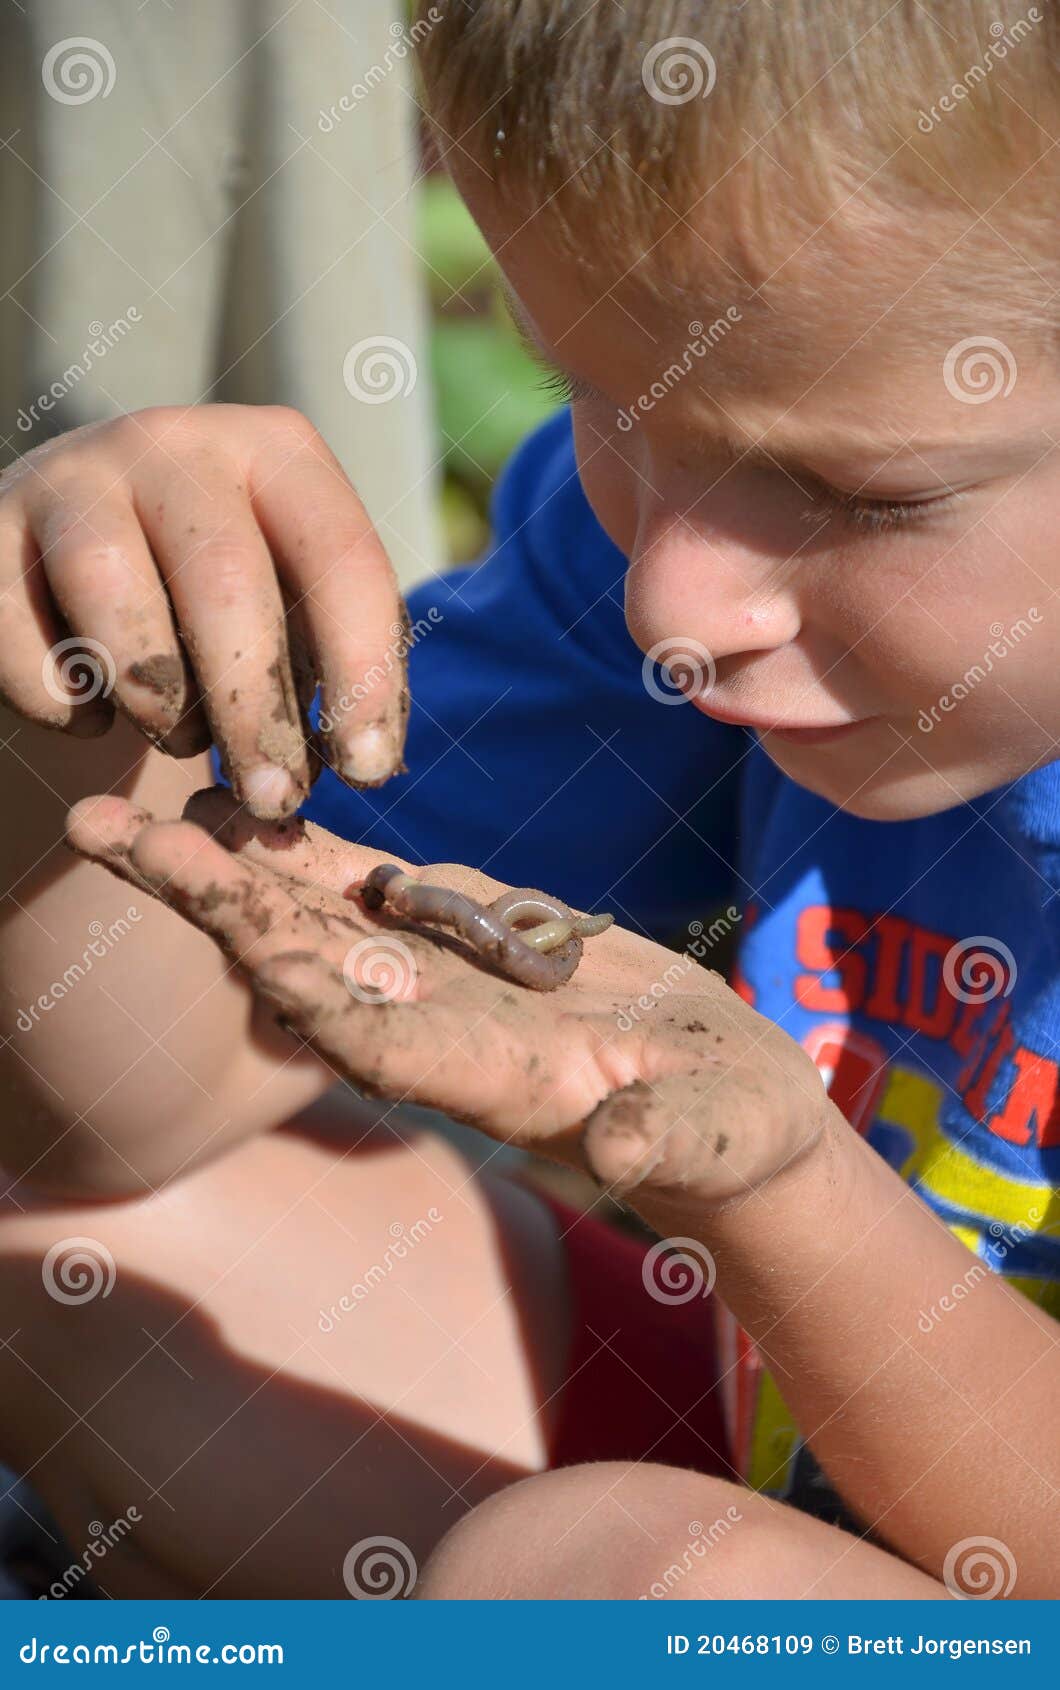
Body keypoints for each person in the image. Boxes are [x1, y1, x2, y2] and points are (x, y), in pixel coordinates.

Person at [0, 0, 1057, 1600]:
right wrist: (78, 664)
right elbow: (153, 1110)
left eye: (864, 496)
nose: (676, 611)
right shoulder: (678, 555)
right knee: (87, 1271)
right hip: (791, 1428)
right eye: (608, 408)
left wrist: (781, 1187)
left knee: (611, 1576)